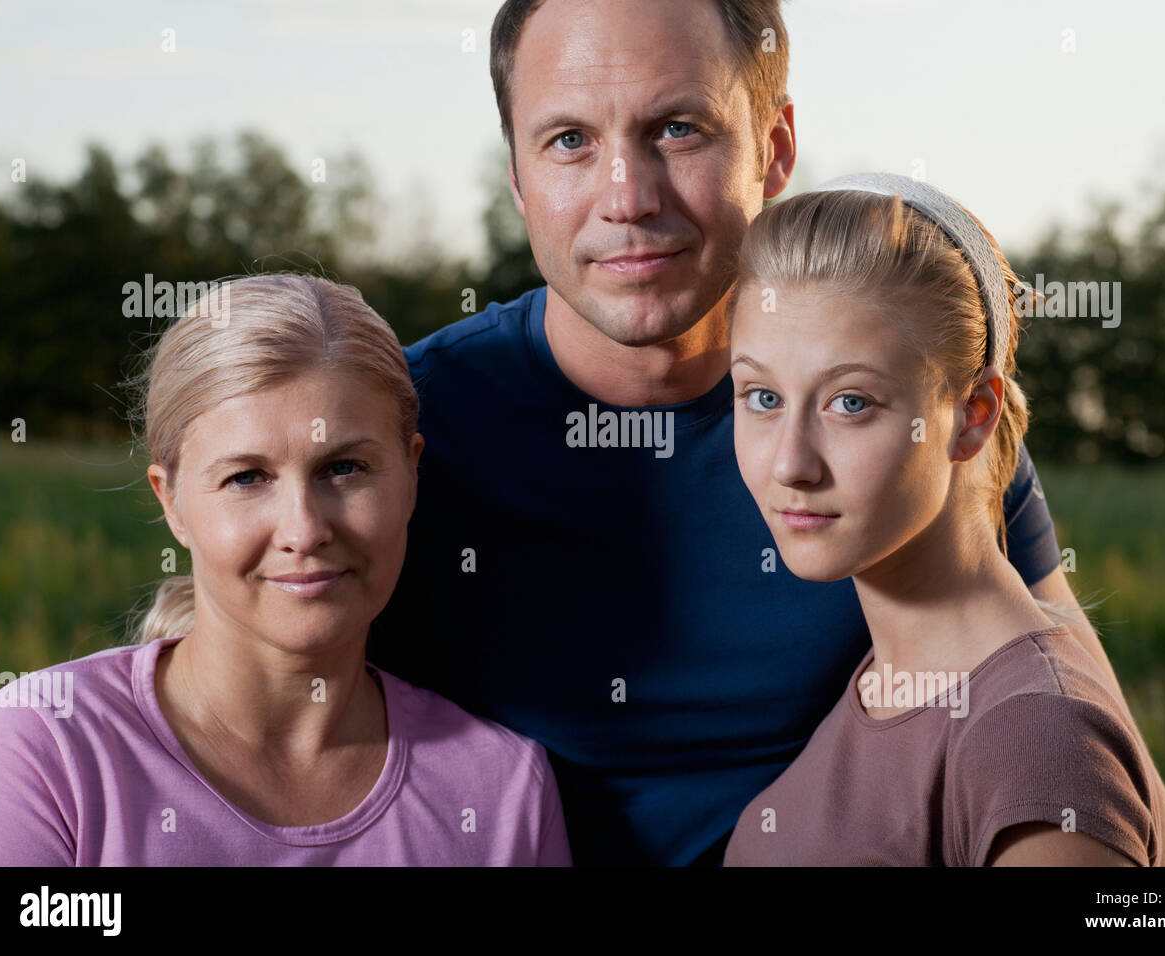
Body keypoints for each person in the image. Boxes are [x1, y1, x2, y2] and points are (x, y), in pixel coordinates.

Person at [368, 0, 1118, 866]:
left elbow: (1078, 740)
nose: (629, 199)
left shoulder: (903, 425)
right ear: (517, 176)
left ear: (775, 147)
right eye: (569, 141)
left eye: (679, 129)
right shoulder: (394, 436)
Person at [0, 274, 571, 866]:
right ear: (171, 501)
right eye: (246, 478)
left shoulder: (501, 792)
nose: (304, 530)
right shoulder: (51, 751)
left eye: (344, 468)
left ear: (412, 475)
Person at [721, 176, 1165, 865]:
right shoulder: (882, 693)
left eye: (850, 403)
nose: (790, 464)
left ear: (973, 416)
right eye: (761, 396)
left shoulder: (1035, 735)